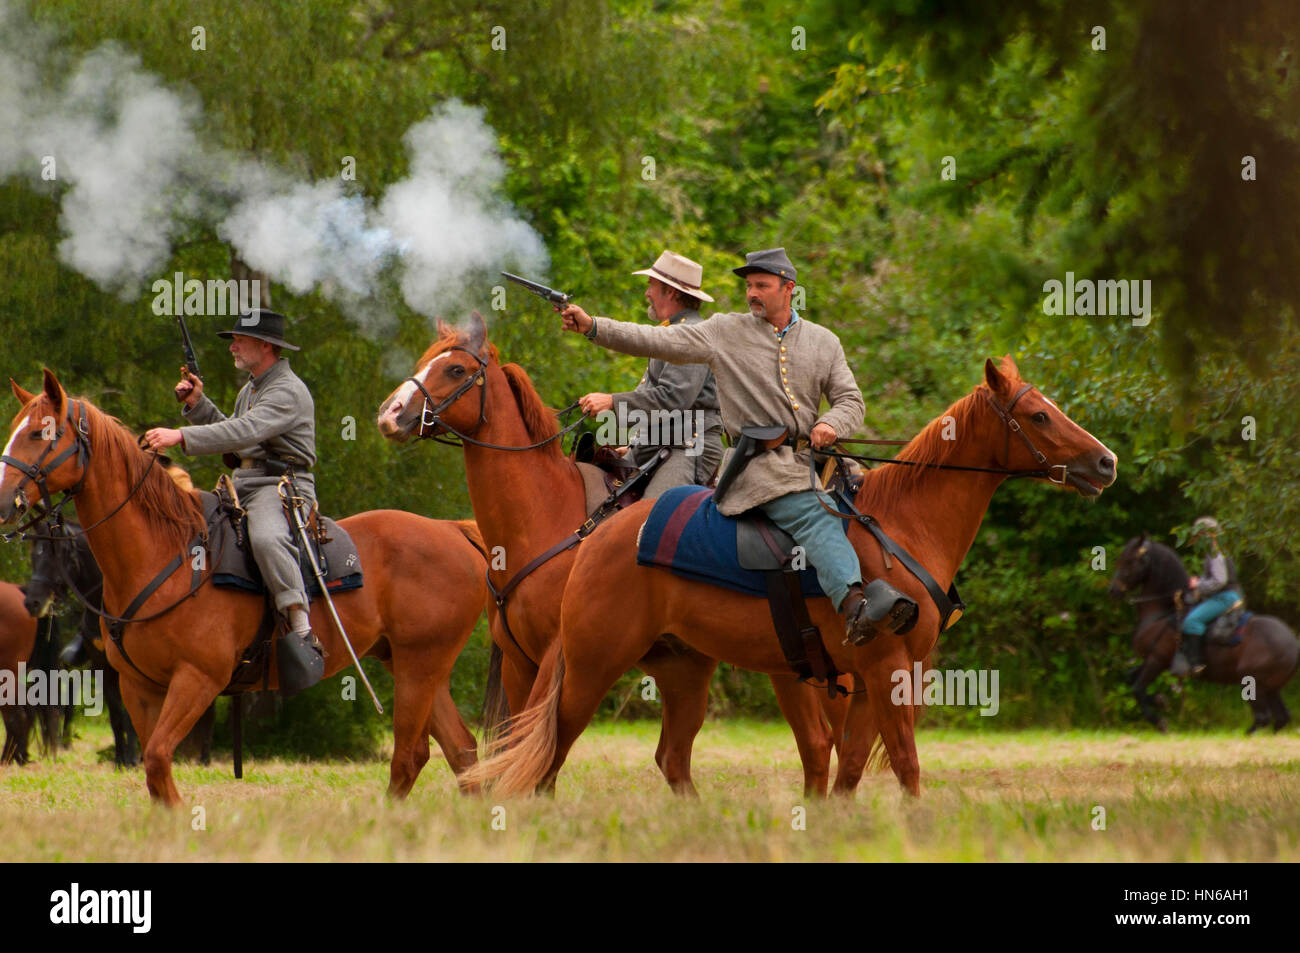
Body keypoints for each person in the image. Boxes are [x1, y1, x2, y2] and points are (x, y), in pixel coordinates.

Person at [560, 246, 917, 645]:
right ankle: (854, 607)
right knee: (812, 513)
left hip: (818, 461)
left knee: (869, 505)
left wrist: (831, 423)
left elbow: (852, 400)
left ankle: (907, 592)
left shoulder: (824, 342)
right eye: (749, 286)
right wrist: (593, 326)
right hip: (757, 468)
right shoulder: (724, 331)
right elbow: (653, 341)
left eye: (761, 285)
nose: (752, 294)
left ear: (789, 289)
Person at [143, 309, 324, 695]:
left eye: (240, 340)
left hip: (281, 487)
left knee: (266, 539)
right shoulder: (252, 388)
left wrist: (181, 436)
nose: (233, 347)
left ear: (266, 346)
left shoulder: (286, 389)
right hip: (243, 484)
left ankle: (300, 623)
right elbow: (241, 439)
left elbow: (245, 430)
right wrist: (198, 405)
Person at [577, 250, 724, 498]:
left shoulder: (693, 334)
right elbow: (652, 399)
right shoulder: (673, 331)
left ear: (672, 292)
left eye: (651, 286)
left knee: (651, 517)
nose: (647, 293)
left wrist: (612, 402)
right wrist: (635, 446)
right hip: (660, 443)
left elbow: (671, 400)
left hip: (688, 446)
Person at [1178, 516, 1243, 676]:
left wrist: (1197, 585)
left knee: (1191, 621)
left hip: (1225, 597)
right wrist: (1200, 581)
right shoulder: (1216, 550)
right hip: (1225, 594)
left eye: (1199, 535)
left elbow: (1220, 580)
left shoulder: (1214, 552)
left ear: (1207, 535)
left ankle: (1197, 663)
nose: (1197, 539)